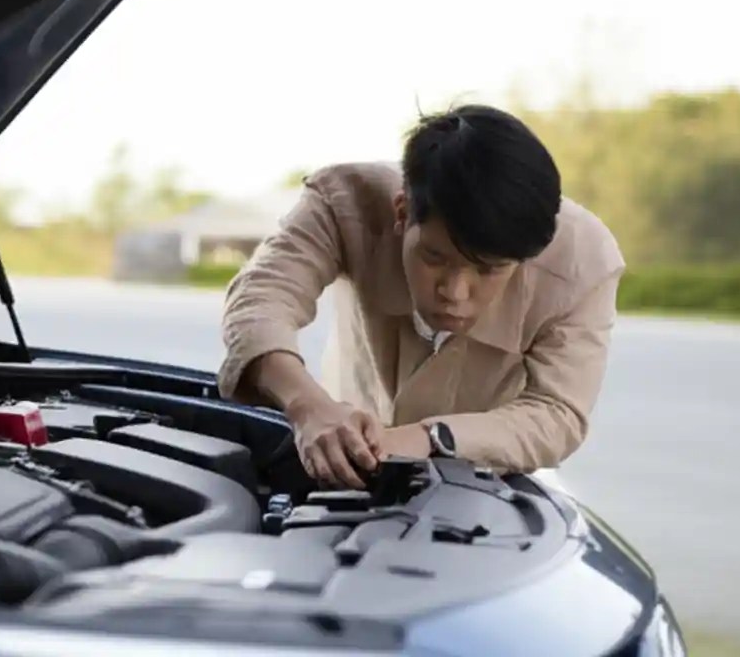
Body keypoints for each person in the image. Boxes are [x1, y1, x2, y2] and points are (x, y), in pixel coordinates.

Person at [217, 104, 624, 488]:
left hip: (483, 483)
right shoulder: (342, 201)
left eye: (488, 269)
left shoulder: (583, 262)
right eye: (434, 257)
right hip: (335, 455)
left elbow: (557, 413)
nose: (454, 292)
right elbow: (260, 298)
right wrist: (308, 406)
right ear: (401, 212)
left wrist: (428, 438)